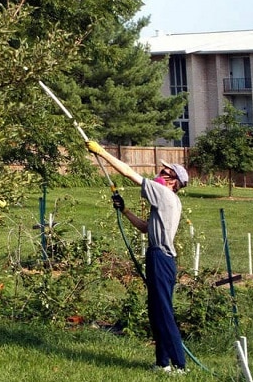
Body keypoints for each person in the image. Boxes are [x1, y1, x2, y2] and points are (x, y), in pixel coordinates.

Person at [86, 141, 188, 374]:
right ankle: (163, 363)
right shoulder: (165, 202)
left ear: (173, 182)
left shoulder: (164, 193)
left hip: (161, 258)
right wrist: (125, 211)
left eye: (164, 172)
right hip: (158, 257)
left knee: (163, 311)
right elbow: (145, 227)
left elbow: (128, 172)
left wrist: (101, 152)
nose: (159, 173)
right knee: (156, 311)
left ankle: (180, 365)